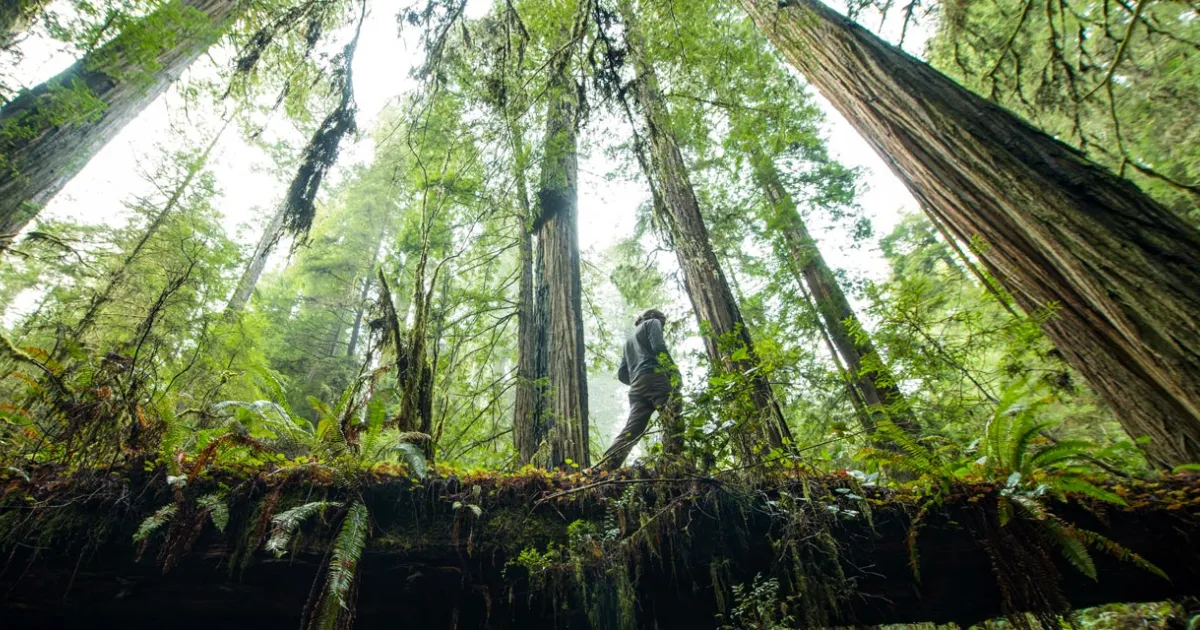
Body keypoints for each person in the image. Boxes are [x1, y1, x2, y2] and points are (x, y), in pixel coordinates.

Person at [596, 308, 684, 470]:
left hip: (636, 388)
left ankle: (603, 470)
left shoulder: (629, 341)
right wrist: (674, 372)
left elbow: (622, 374)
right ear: (657, 317)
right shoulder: (653, 322)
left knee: (631, 431)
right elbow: (659, 347)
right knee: (673, 422)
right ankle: (672, 469)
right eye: (663, 325)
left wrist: (639, 380)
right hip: (656, 378)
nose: (662, 328)